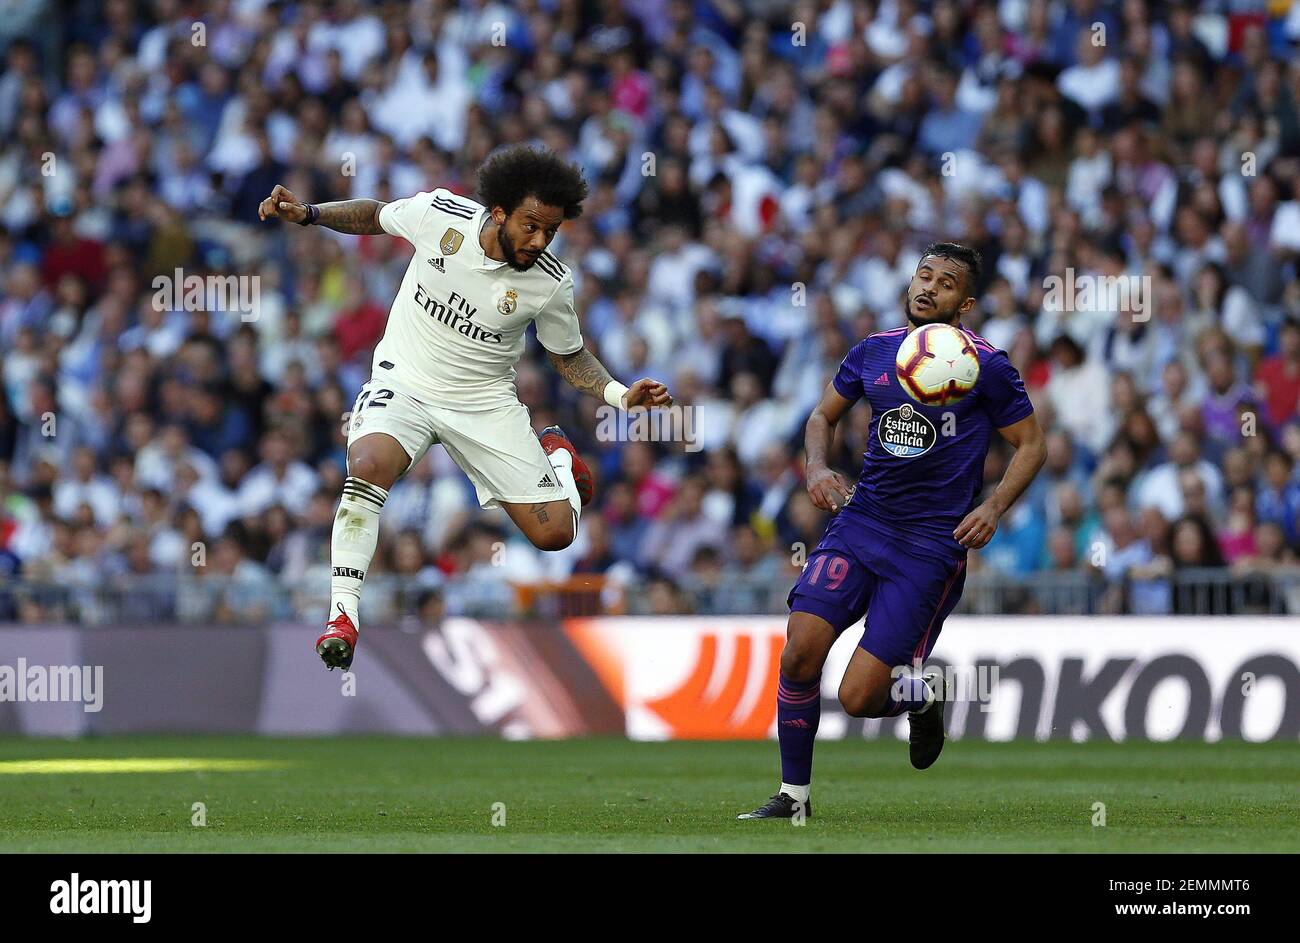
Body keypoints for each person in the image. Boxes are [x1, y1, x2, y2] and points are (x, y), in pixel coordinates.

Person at [258, 145, 672, 670]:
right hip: (405, 384)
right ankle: (343, 615)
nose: (539, 240)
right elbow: (376, 215)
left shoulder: (550, 281)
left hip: (484, 405)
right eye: (531, 225)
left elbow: (568, 356)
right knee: (366, 467)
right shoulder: (439, 216)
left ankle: (558, 457)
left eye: (551, 230)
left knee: (556, 535)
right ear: (498, 212)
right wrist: (311, 214)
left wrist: (618, 393)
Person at [739, 244, 1046, 820]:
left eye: (947, 283)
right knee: (800, 652)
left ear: (967, 302)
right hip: (862, 521)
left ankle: (922, 698)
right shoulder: (873, 352)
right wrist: (816, 466)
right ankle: (793, 799)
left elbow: (1032, 444)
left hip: (930, 546)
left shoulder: (987, 366)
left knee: (858, 699)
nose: (930, 287)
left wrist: (996, 506)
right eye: (924, 275)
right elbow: (820, 417)